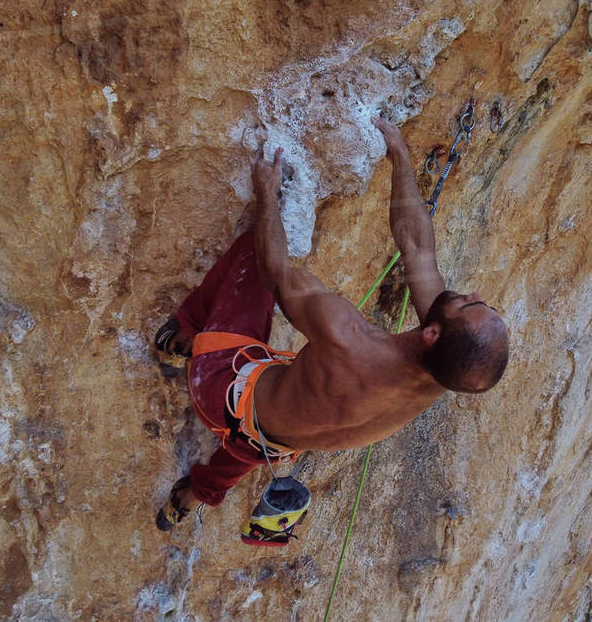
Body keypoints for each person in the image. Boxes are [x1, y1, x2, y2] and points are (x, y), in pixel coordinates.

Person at [153, 116, 509, 533]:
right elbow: (416, 247)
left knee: (253, 252)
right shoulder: (446, 371)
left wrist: (267, 196)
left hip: (220, 388)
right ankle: (193, 496)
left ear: (433, 333)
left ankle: (181, 338)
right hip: (273, 443)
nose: (470, 293)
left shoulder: (346, 337)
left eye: (469, 305)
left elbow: (275, 271)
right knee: (263, 438)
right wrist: (400, 157)